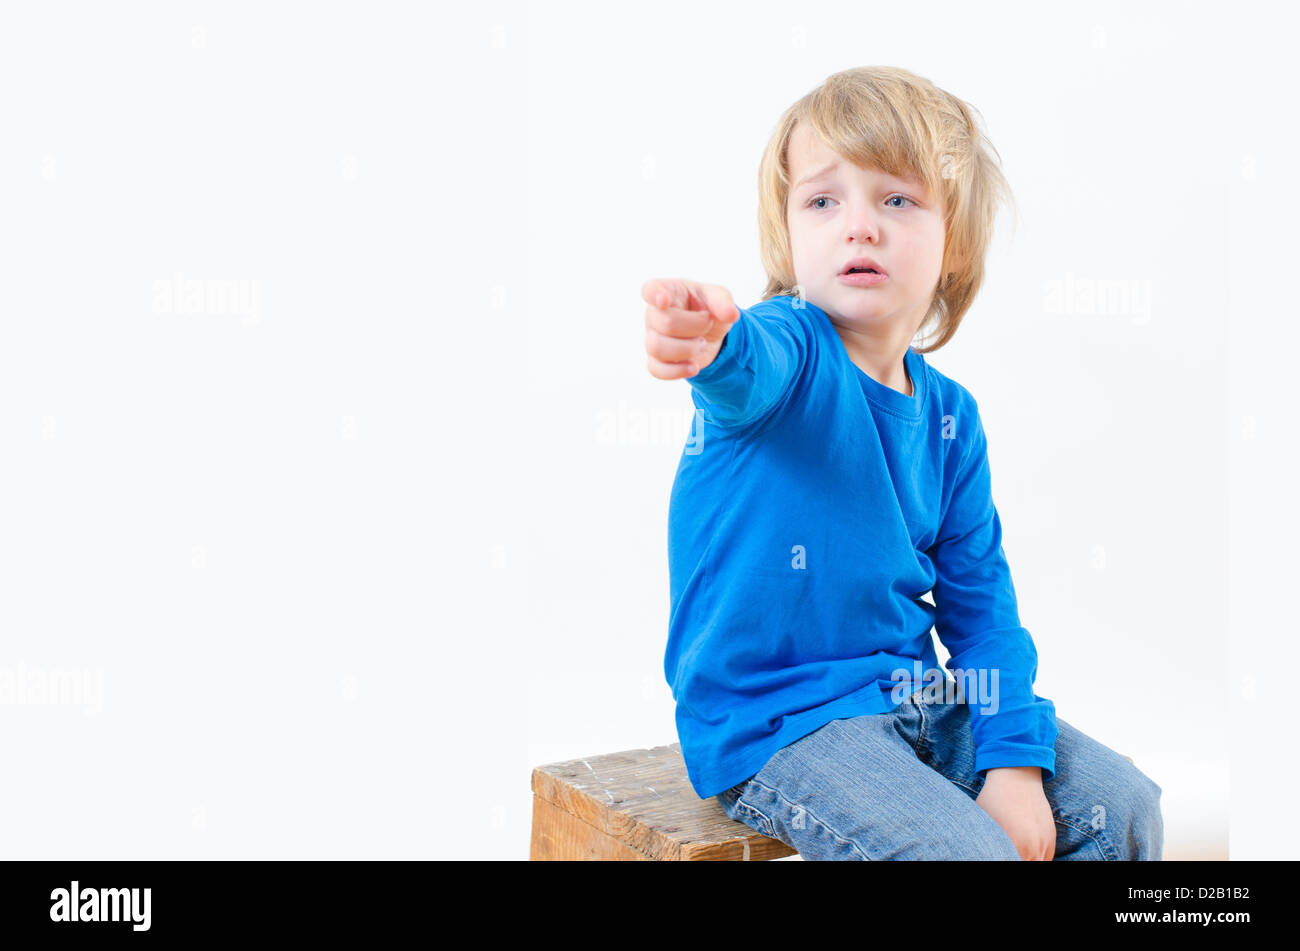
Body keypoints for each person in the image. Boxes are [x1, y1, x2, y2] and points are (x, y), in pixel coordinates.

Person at [642, 66, 1162, 860]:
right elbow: (743, 369)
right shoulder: (787, 349)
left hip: (916, 699)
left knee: (1122, 806)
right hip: (781, 718)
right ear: (788, 233)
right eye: (824, 200)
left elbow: (982, 608)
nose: (860, 226)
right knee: (964, 854)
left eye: (897, 199)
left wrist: (1013, 762)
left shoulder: (953, 416)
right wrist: (712, 342)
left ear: (952, 242)